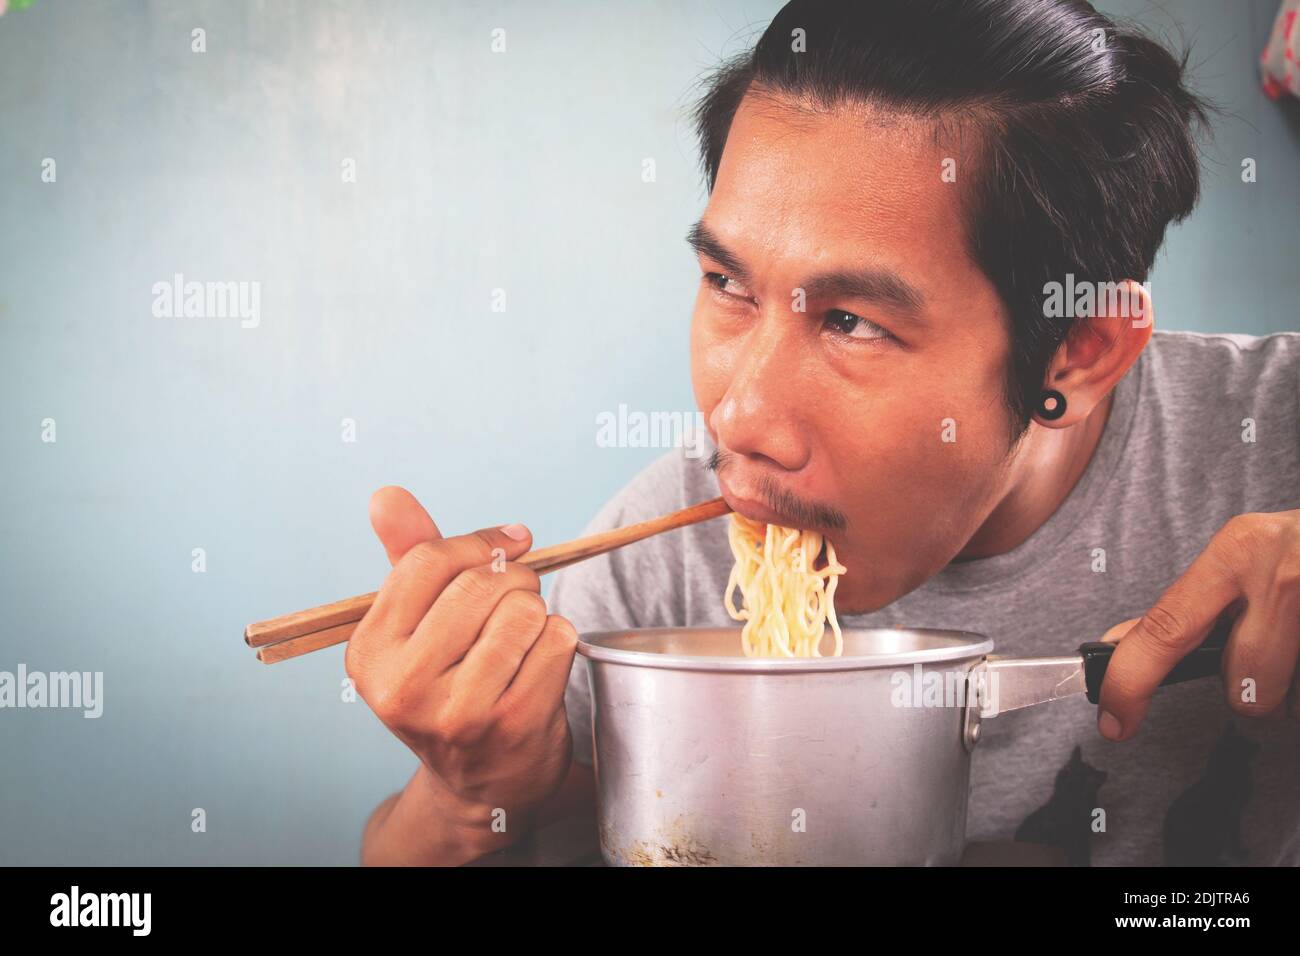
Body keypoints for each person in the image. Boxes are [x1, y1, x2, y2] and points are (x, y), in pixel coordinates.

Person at [349, 0, 1300, 866]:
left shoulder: (1273, 435)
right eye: (728, 285)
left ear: (1080, 349)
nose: (737, 419)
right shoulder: (664, 563)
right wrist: (469, 797)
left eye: (851, 322)